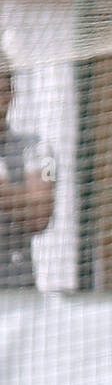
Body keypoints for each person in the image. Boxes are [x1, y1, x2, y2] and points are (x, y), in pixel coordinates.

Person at [0, 54, 54, 289]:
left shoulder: (36, 149)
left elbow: (39, 215)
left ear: (11, 93)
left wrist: (3, 189)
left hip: (15, 290)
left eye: (2, 91)